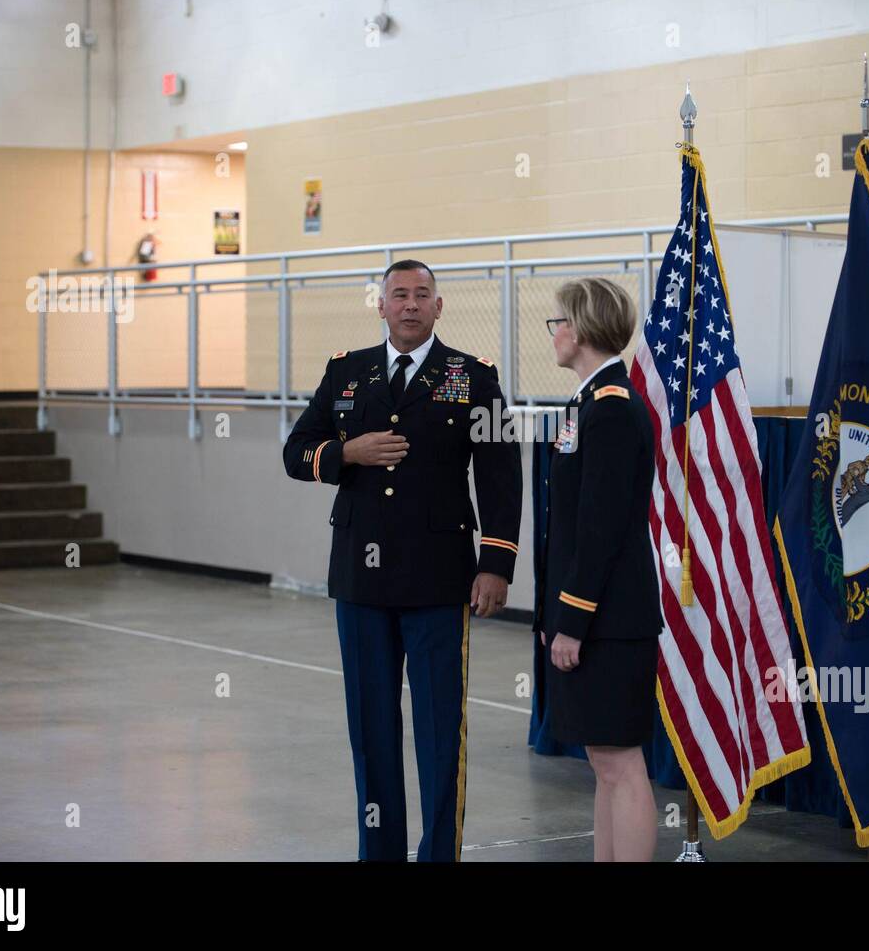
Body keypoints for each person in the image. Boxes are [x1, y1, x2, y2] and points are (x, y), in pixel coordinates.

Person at [282, 259, 522, 862]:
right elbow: (295, 451)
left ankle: (439, 854)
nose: (410, 305)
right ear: (381, 306)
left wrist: (495, 564)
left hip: (439, 579)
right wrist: (347, 452)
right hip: (360, 583)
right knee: (371, 729)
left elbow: (501, 476)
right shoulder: (347, 372)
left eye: (422, 296)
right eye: (399, 295)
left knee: (442, 731)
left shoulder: (472, 377)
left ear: (439, 307)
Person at [535, 276, 661, 862]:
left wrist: (573, 620)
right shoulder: (589, 402)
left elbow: (599, 529)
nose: (553, 332)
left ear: (580, 329)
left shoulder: (610, 408)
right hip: (597, 616)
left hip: (610, 619)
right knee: (603, 763)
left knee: (619, 763)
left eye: (557, 320)